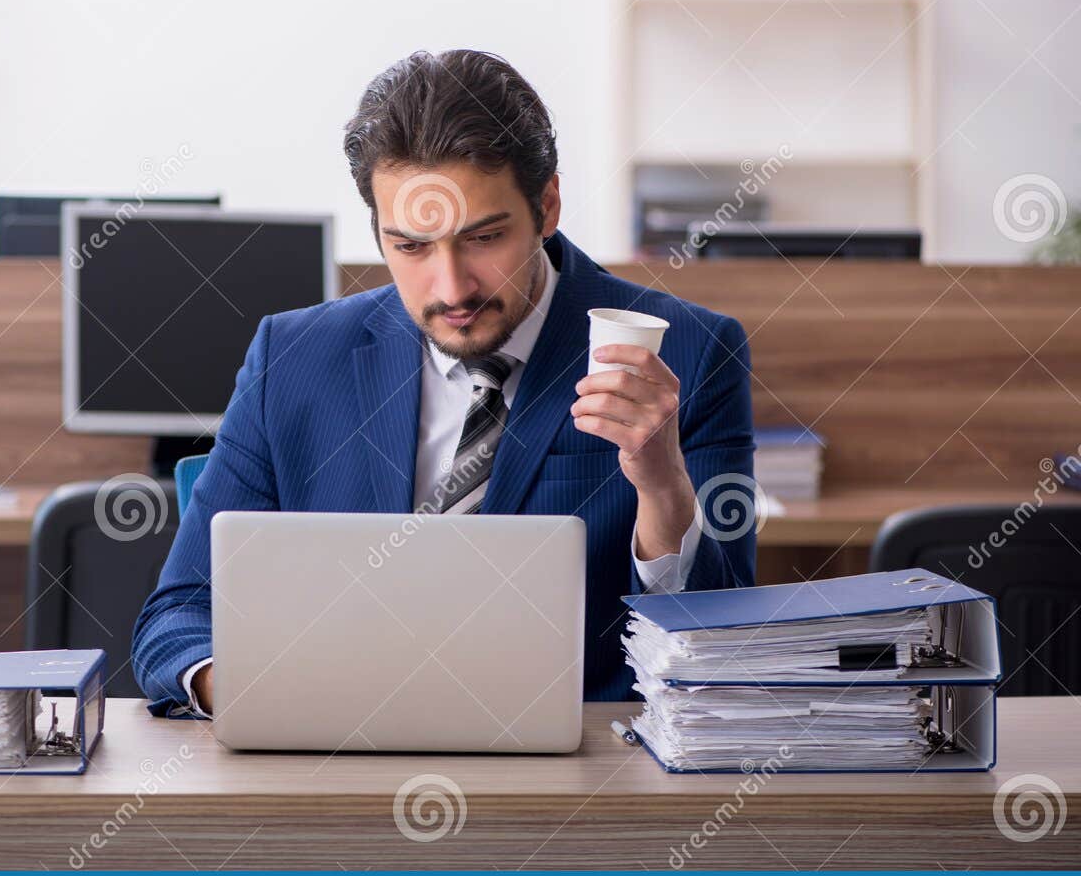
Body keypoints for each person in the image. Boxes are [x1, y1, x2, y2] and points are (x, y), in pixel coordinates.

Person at [132, 49, 754, 715]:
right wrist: (259, 694)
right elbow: (179, 616)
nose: (452, 288)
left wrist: (662, 488)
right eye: (411, 247)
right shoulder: (293, 359)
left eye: (483, 238)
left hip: (580, 776)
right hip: (343, 759)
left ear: (547, 207)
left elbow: (718, 644)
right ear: (376, 230)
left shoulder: (688, 350)